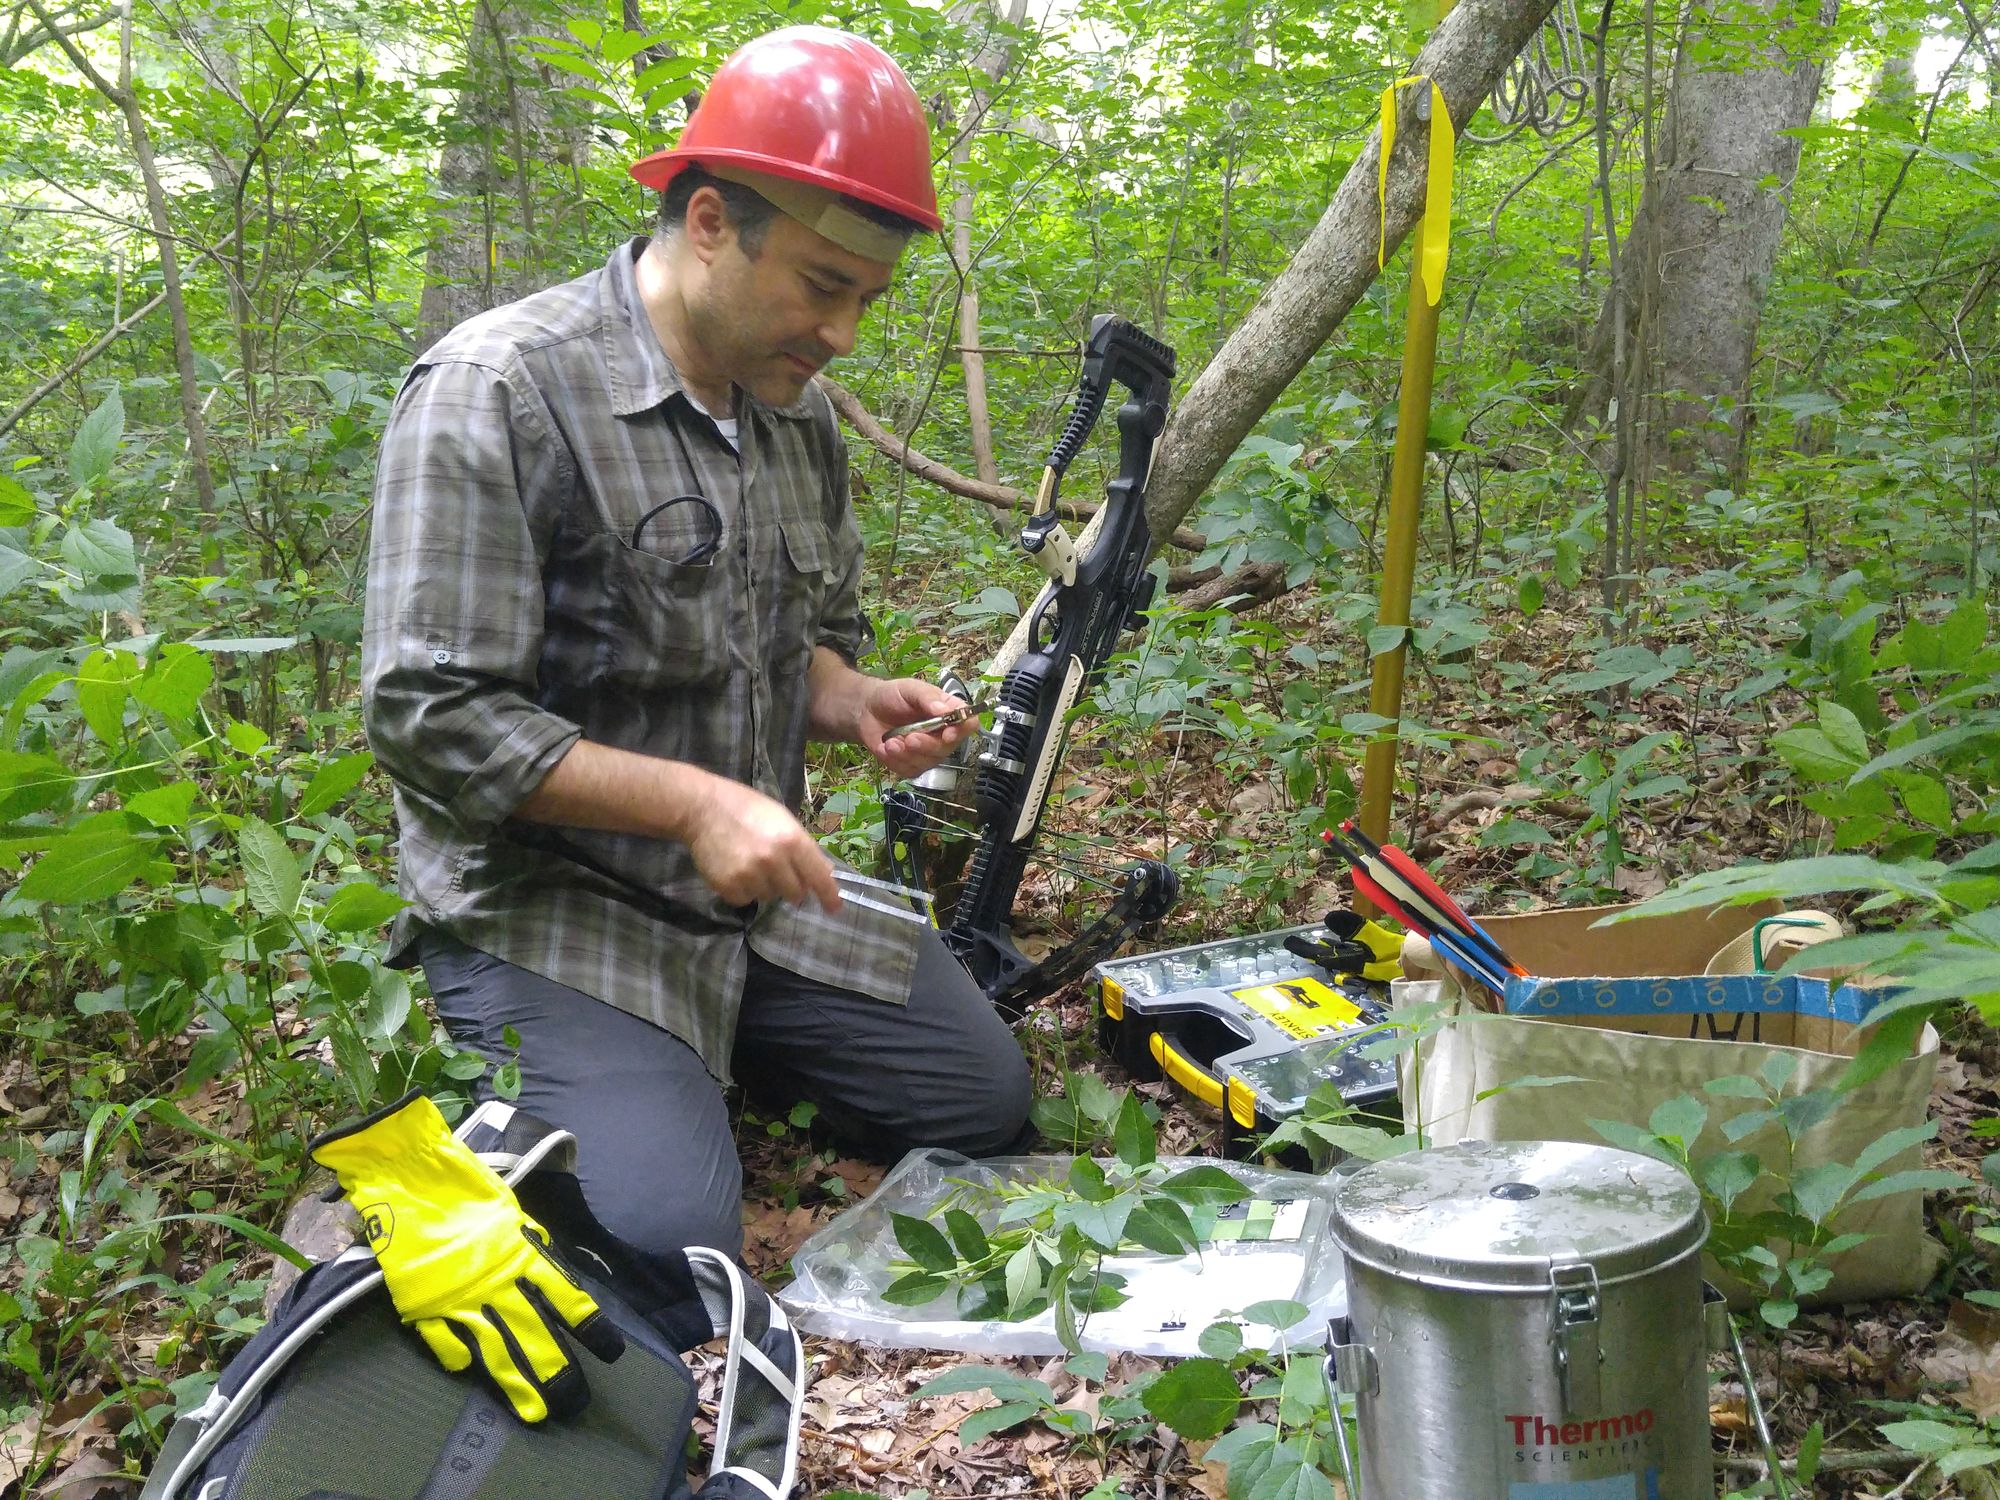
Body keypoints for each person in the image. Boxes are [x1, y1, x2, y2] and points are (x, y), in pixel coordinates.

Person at [360, 26, 1033, 1281]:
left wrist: (853, 701)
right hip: (554, 908)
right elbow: (427, 714)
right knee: (665, 1246)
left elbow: (808, 641)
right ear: (711, 220)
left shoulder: (796, 419)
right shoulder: (500, 389)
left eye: (865, 302)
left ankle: (686, 1058)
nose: (840, 335)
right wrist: (694, 802)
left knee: (981, 1103)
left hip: (747, 908)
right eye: (822, 286)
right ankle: (569, 1081)